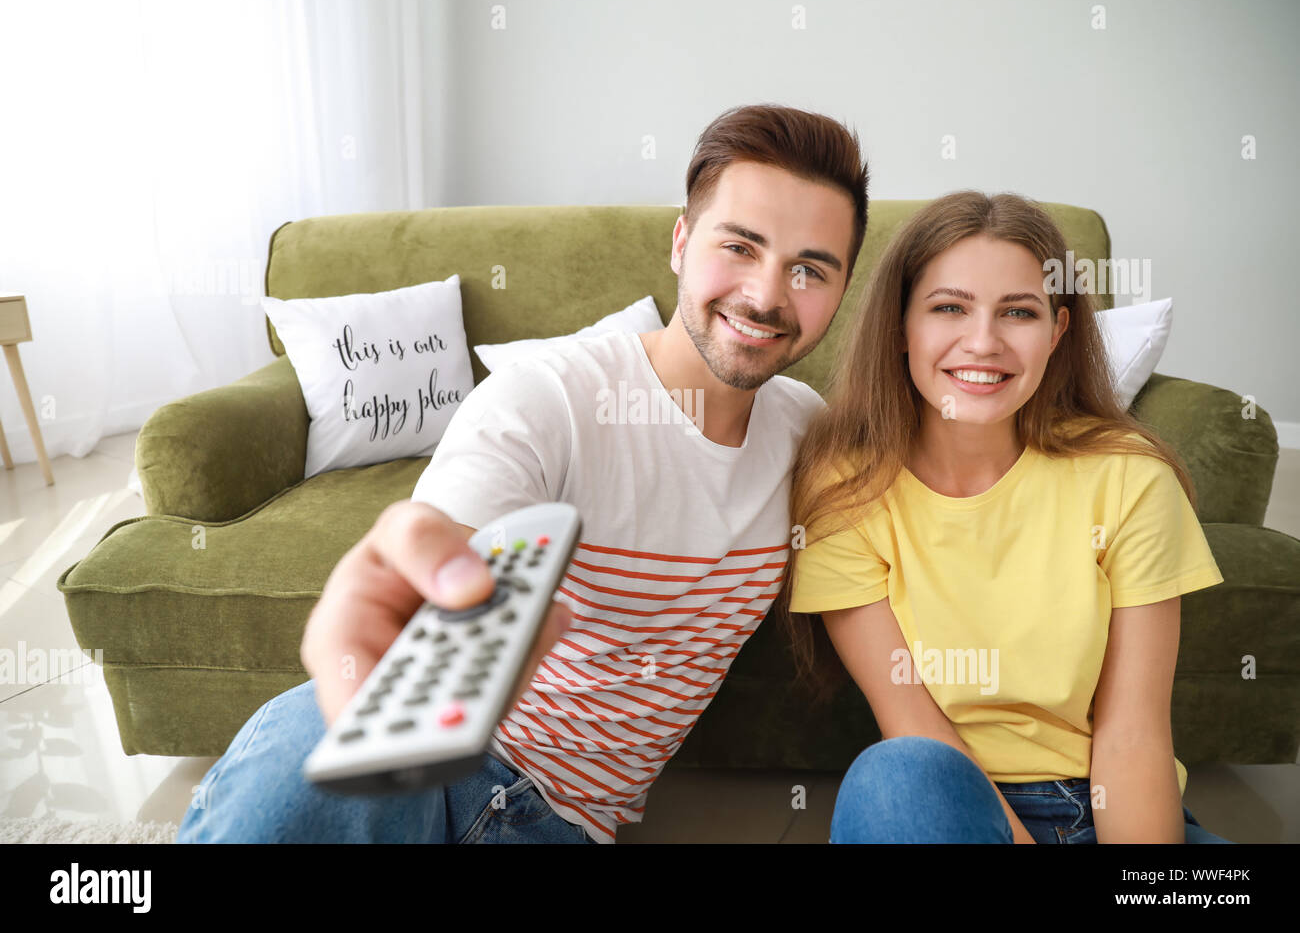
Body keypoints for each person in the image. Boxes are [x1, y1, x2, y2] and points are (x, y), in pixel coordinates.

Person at [176, 103, 869, 843]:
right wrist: (416, 594)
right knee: (314, 738)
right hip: (417, 759)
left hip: (560, 828)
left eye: (808, 270)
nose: (766, 294)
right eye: (739, 246)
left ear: (843, 288)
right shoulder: (548, 397)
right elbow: (441, 549)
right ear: (680, 243)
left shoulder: (809, 437)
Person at [781, 191, 1231, 844]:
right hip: (949, 802)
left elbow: (1133, 735)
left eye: (1018, 312)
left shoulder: (1131, 477)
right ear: (899, 329)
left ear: (1057, 330)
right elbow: (910, 720)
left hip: (1110, 806)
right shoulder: (845, 488)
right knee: (895, 773)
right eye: (949, 308)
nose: (983, 342)